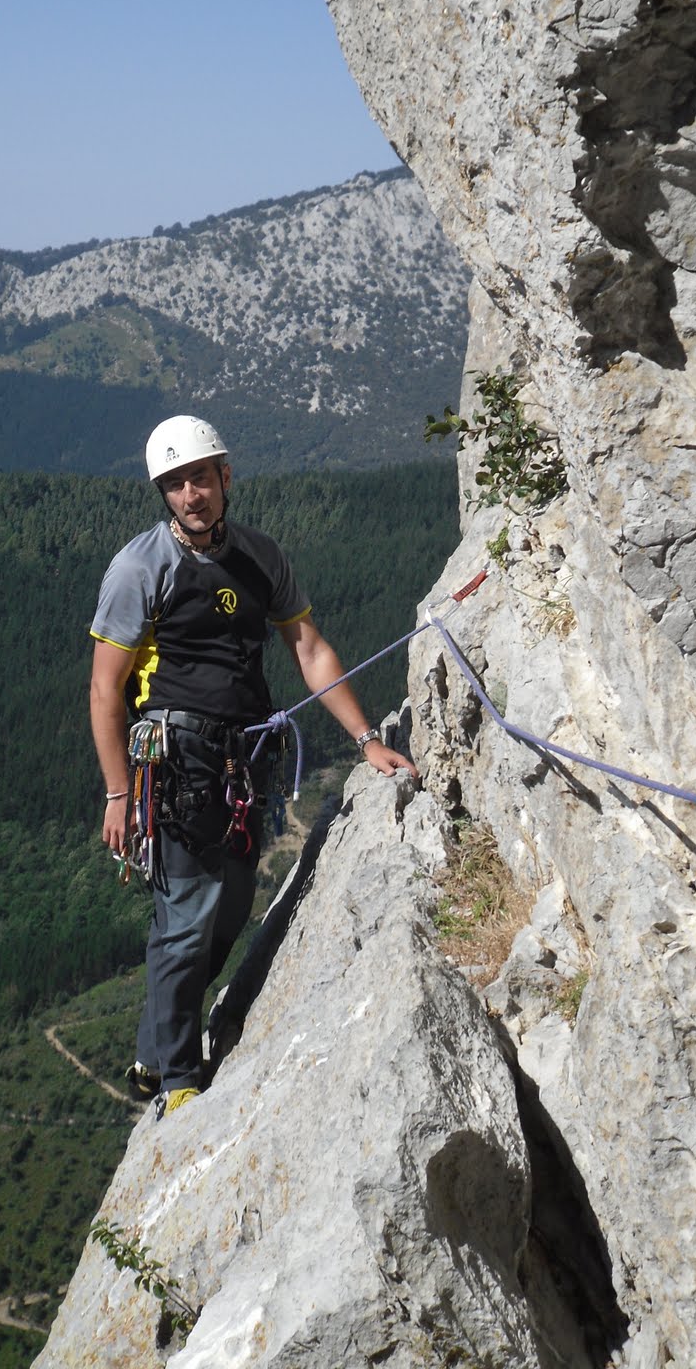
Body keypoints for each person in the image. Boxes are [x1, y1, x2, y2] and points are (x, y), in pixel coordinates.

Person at [88, 415, 417, 1118]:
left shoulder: (261, 558)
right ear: (162, 493)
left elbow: (308, 647)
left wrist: (364, 737)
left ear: (225, 476)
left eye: (199, 478)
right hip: (175, 761)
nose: (190, 495)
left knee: (230, 908)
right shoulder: (140, 568)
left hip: (242, 758)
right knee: (186, 914)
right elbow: (104, 688)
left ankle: (155, 1045)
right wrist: (119, 792)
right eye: (174, 485)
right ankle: (177, 1079)